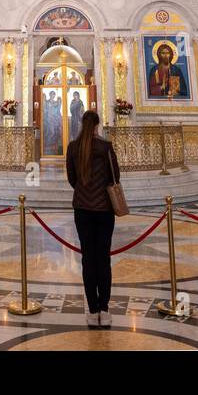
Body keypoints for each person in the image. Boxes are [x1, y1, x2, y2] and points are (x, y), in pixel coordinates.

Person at [65, 110, 121, 328]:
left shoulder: (73, 147)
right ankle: (104, 311)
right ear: (97, 125)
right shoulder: (105, 147)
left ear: (82, 123)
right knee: (103, 259)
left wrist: (84, 191)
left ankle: (92, 310)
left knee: (88, 259)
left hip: (82, 209)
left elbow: (72, 179)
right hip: (104, 210)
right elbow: (115, 176)